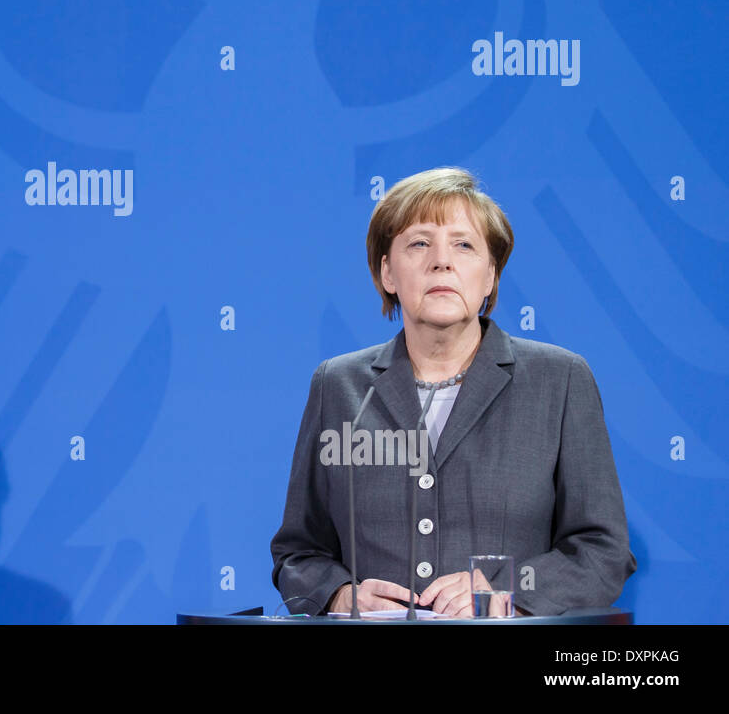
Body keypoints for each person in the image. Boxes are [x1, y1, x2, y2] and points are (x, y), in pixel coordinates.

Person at [271, 167, 635, 617]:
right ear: (387, 272)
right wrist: (340, 595)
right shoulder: (337, 385)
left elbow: (603, 552)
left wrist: (505, 591)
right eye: (419, 243)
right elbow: (298, 552)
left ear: (489, 276)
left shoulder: (559, 380)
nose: (441, 261)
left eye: (463, 245)